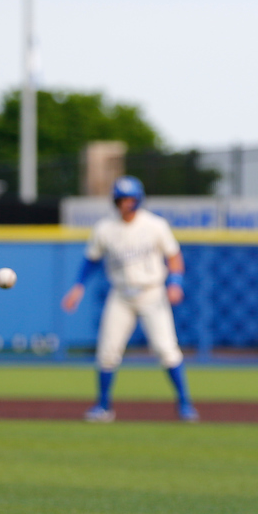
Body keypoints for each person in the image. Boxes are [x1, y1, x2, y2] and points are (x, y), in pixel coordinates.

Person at [61, 175, 198, 423]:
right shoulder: (105, 228)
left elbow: (174, 257)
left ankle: (185, 404)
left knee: (166, 349)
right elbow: (91, 260)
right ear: (115, 201)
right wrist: (78, 287)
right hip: (121, 295)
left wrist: (175, 283)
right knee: (107, 352)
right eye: (121, 199)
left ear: (139, 199)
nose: (126, 203)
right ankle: (103, 407)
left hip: (151, 292)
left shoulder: (155, 225)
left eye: (130, 198)